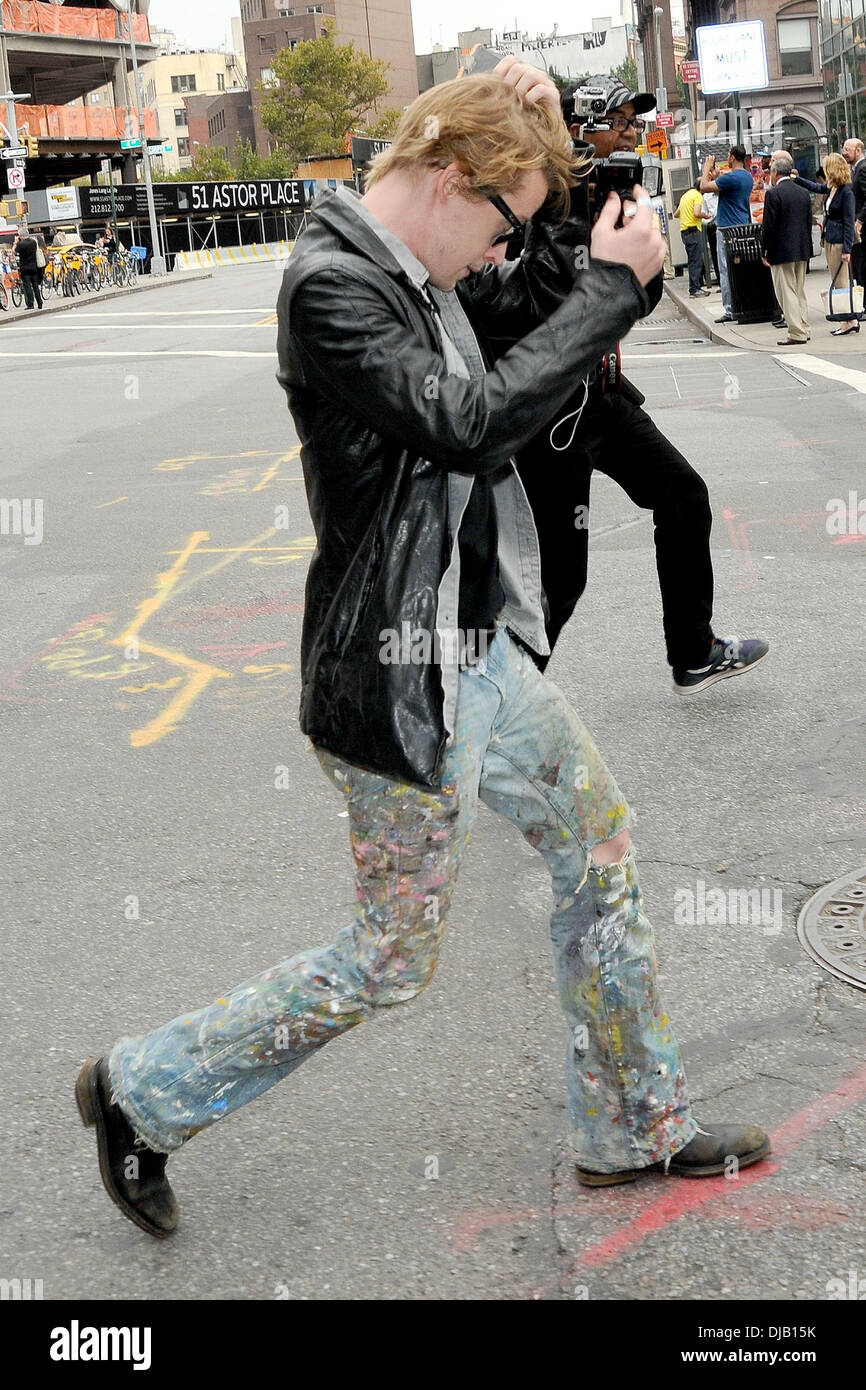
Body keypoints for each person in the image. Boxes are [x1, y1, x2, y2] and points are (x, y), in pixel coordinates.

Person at [75, 60, 769, 1239]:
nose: (502, 252)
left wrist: (551, 145)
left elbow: (545, 297)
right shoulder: (331, 288)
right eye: (499, 219)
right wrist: (607, 291)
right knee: (388, 963)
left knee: (597, 851)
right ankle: (139, 1089)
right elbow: (469, 422)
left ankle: (629, 1128)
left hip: (481, 652)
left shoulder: (429, 263)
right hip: (402, 682)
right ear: (447, 181)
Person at [515, 80, 769, 695]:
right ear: (582, 128)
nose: (632, 131)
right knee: (559, 580)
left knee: (684, 496)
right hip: (549, 411)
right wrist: (584, 221)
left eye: (634, 121)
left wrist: (632, 230)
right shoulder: (539, 195)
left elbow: (640, 299)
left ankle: (693, 650)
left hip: (601, 396)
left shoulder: (615, 193)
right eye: (621, 120)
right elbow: (537, 297)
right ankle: (497, 707)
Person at [798, 153, 859, 337]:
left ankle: (848, 320)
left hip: (840, 241)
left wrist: (847, 249)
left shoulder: (845, 192)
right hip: (831, 239)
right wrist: (797, 179)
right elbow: (816, 187)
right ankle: (847, 320)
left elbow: (849, 221)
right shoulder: (832, 188)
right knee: (836, 279)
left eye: (826, 167)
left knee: (841, 282)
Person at [760, 154, 813, 345]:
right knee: (799, 291)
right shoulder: (803, 192)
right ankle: (804, 327)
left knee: (786, 292)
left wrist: (765, 250)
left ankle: (796, 332)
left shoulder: (773, 194)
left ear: (774, 172)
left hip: (781, 251)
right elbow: (808, 223)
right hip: (801, 249)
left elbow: (769, 226)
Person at [700, 144, 755, 324]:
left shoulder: (730, 177)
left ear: (731, 157)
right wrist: (718, 177)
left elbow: (703, 187)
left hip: (726, 229)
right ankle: (744, 304)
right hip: (743, 225)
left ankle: (730, 308)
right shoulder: (747, 176)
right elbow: (726, 188)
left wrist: (706, 167)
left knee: (725, 270)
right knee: (742, 269)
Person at [675, 179, 710, 296]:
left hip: (684, 231)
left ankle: (694, 287)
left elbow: (676, 214)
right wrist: (705, 215)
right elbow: (696, 213)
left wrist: (686, 215)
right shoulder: (698, 196)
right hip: (693, 230)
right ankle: (695, 288)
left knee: (692, 260)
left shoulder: (685, 195)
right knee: (696, 261)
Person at [842, 137, 866, 289]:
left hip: (862, 230)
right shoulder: (855, 169)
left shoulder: (862, 168)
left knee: (862, 266)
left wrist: (860, 221)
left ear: (858, 150)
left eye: (847, 150)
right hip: (857, 228)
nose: (844, 153)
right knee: (859, 267)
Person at [12, 228, 43, 310]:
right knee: (35, 286)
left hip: (24, 268)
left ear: (22, 235)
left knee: (27, 286)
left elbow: (14, 252)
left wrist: (15, 243)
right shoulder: (33, 242)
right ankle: (40, 303)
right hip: (34, 267)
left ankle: (30, 304)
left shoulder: (21, 244)